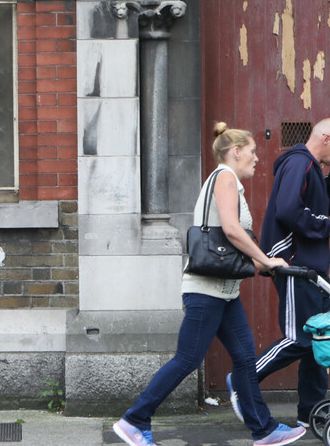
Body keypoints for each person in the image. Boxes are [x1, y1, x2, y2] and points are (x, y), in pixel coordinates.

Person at [113, 124, 306, 446]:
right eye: (253, 151)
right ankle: (134, 420)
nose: (258, 158)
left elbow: (229, 241)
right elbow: (231, 230)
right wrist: (267, 259)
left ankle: (264, 430)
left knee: (245, 359)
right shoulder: (225, 177)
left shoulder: (228, 181)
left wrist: (267, 264)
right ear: (236, 151)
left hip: (225, 291)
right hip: (206, 291)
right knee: (187, 359)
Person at [232, 118, 330, 428]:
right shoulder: (300, 163)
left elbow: (319, 209)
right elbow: (288, 210)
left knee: (320, 339)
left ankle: (310, 414)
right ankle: (243, 379)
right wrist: (327, 228)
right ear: (325, 139)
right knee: (301, 338)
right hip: (296, 266)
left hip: (312, 269)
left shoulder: (312, 169)